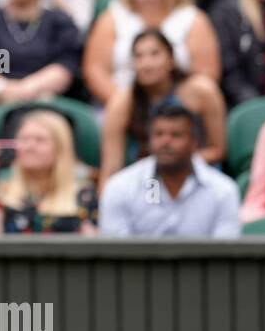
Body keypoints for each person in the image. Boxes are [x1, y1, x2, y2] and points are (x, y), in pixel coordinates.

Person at [84, 0, 219, 105]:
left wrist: (173, 107)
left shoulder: (193, 19)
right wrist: (127, 106)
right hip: (122, 104)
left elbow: (206, 75)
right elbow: (95, 71)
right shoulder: (112, 17)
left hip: (181, 110)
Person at [99, 29, 226, 191]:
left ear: (171, 59)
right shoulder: (122, 103)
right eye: (138, 56)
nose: (146, 64)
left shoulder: (202, 91)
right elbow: (111, 168)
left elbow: (218, 149)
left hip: (196, 175)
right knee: (153, 208)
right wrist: (105, 207)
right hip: (149, 182)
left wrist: (176, 163)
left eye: (154, 54)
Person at [99, 102, 241, 238]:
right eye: (159, 134)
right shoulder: (120, 187)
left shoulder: (223, 191)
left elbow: (225, 255)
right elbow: (115, 255)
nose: (165, 142)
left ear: (194, 143)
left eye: (176, 135)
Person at [0, 110, 97, 236]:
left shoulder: (84, 195)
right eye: (24, 139)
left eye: (39, 140)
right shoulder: (3, 191)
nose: (29, 147)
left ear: (60, 147)